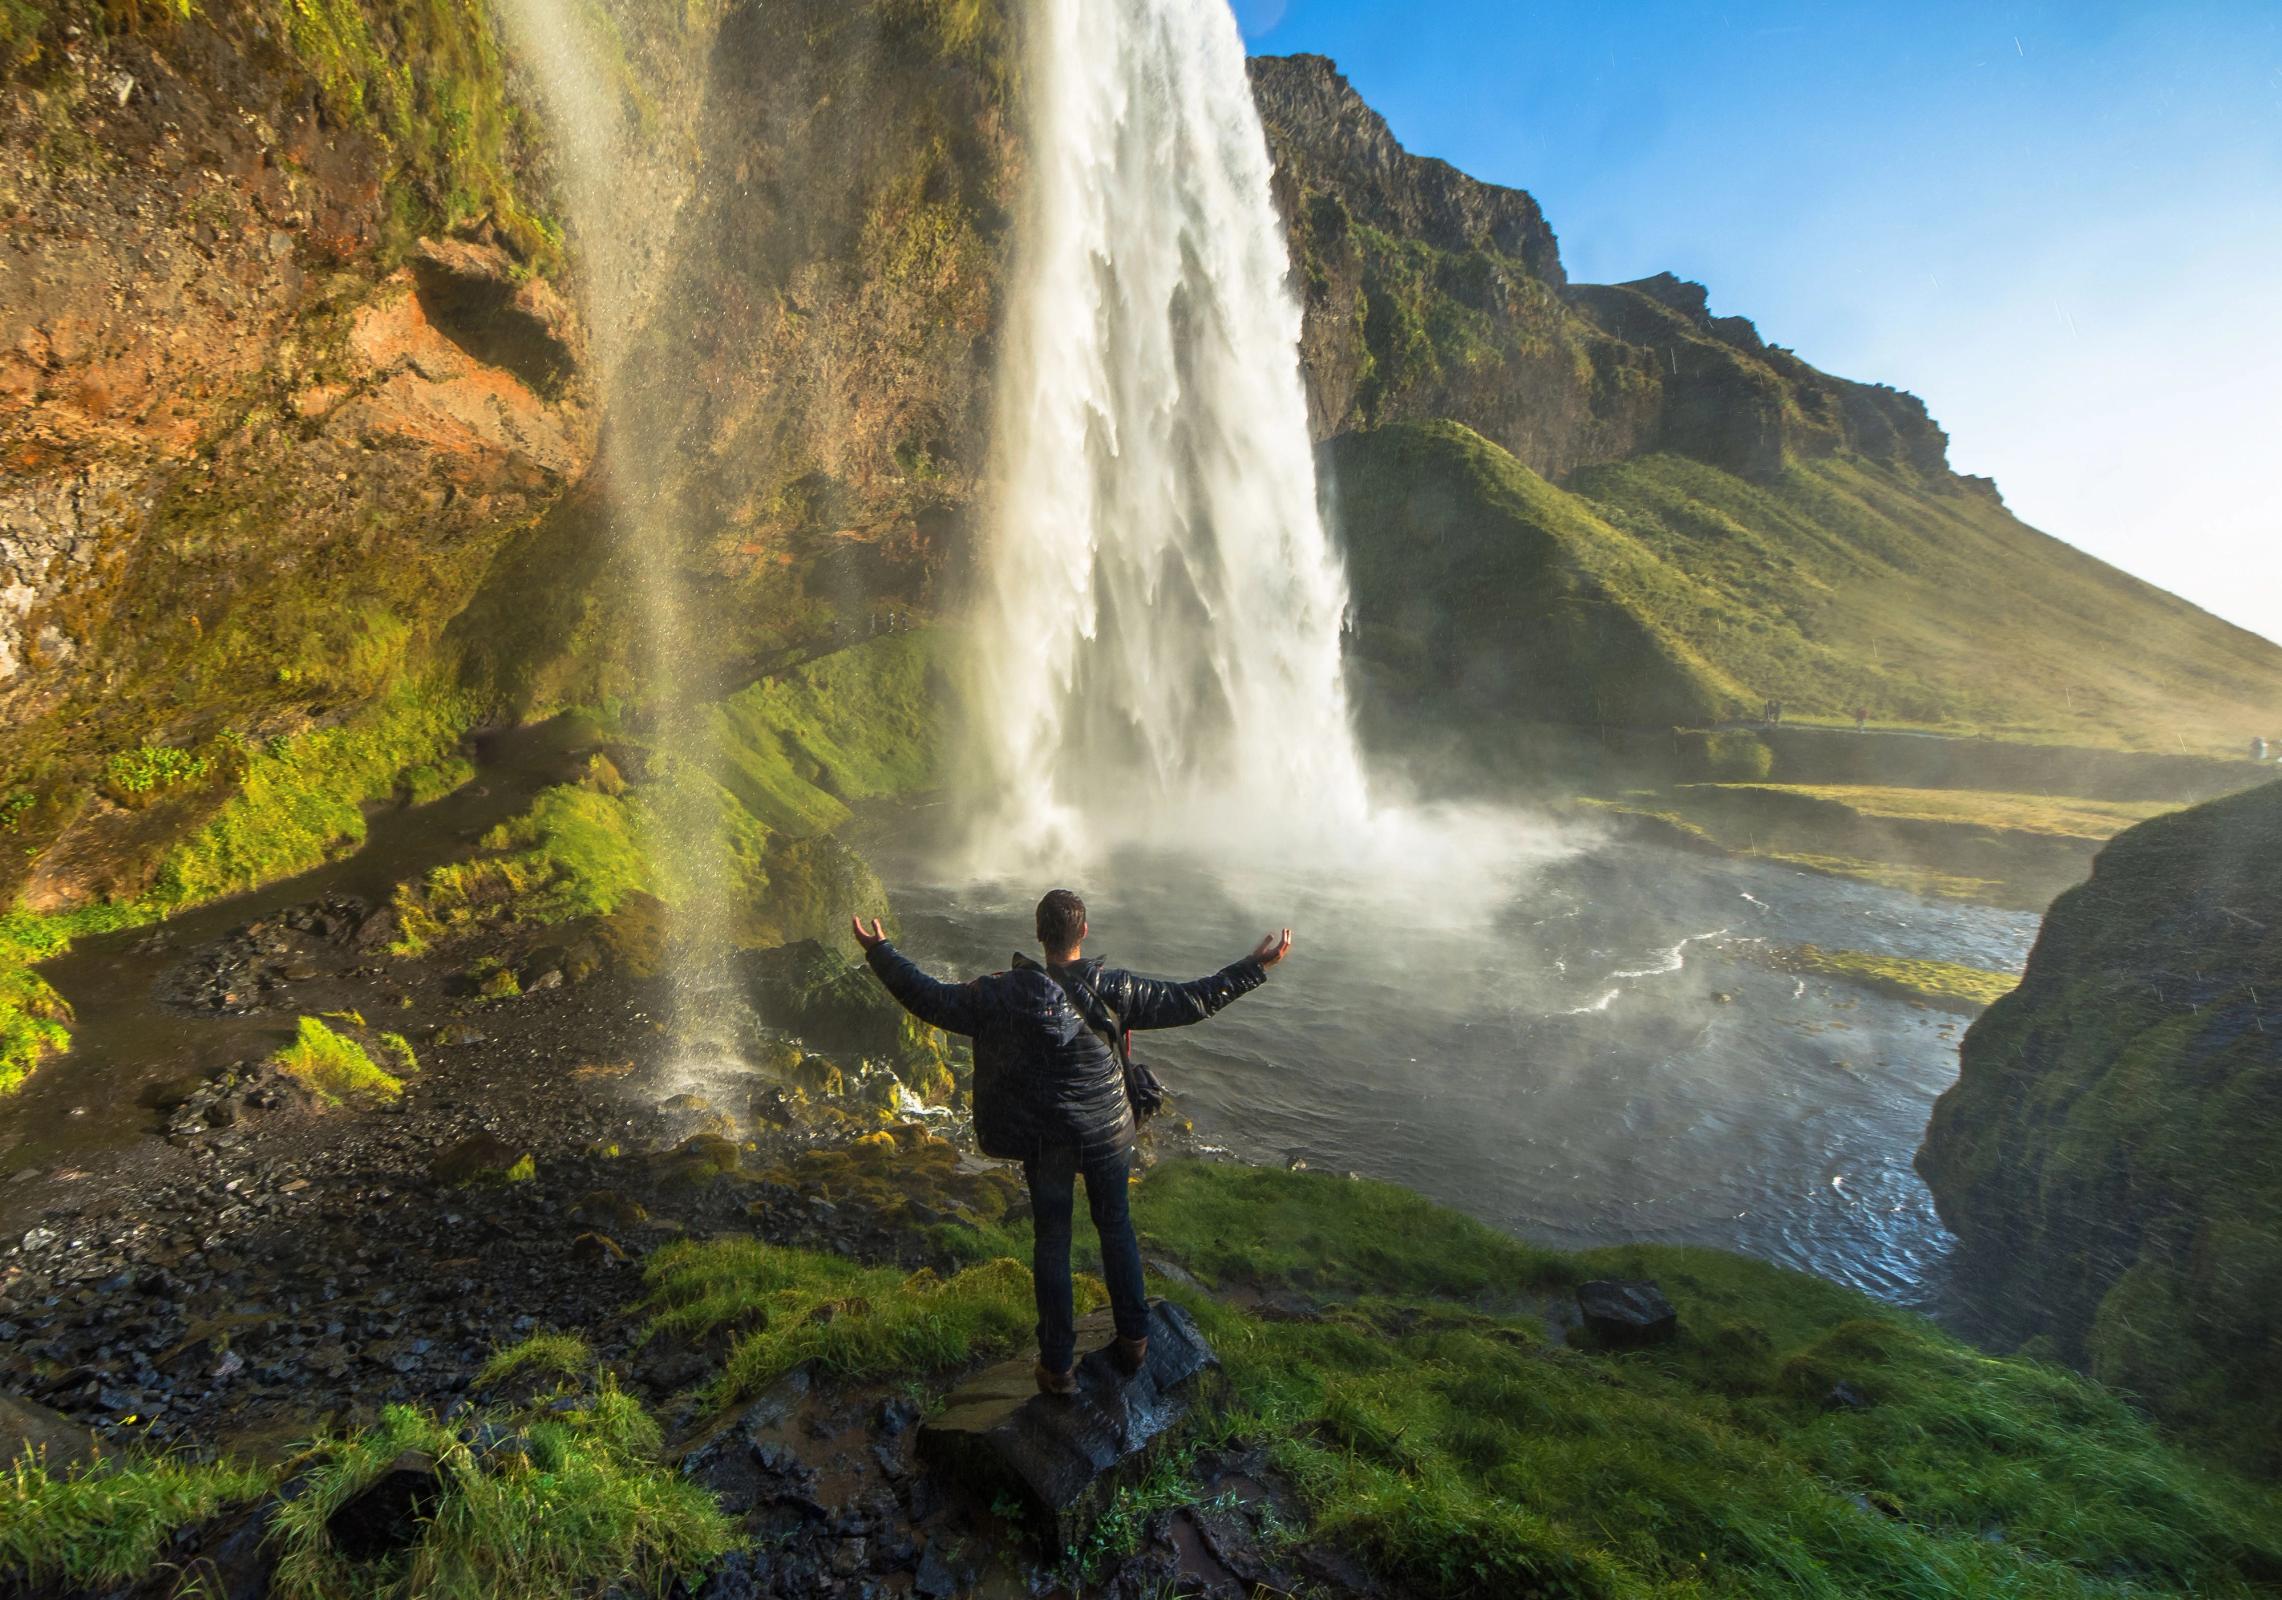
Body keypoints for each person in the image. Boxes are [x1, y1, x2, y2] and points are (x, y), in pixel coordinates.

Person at [851, 891, 1290, 1395]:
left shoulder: (1002, 994)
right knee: (1116, 1228)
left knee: (1053, 1243)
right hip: (1107, 1133)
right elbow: (1191, 1000)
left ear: (1039, 933)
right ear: (1083, 932)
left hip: (1046, 1140)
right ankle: (1135, 1340)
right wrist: (1254, 967)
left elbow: (930, 997)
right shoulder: (1116, 988)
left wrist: (880, 951)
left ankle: (1057, 1368)